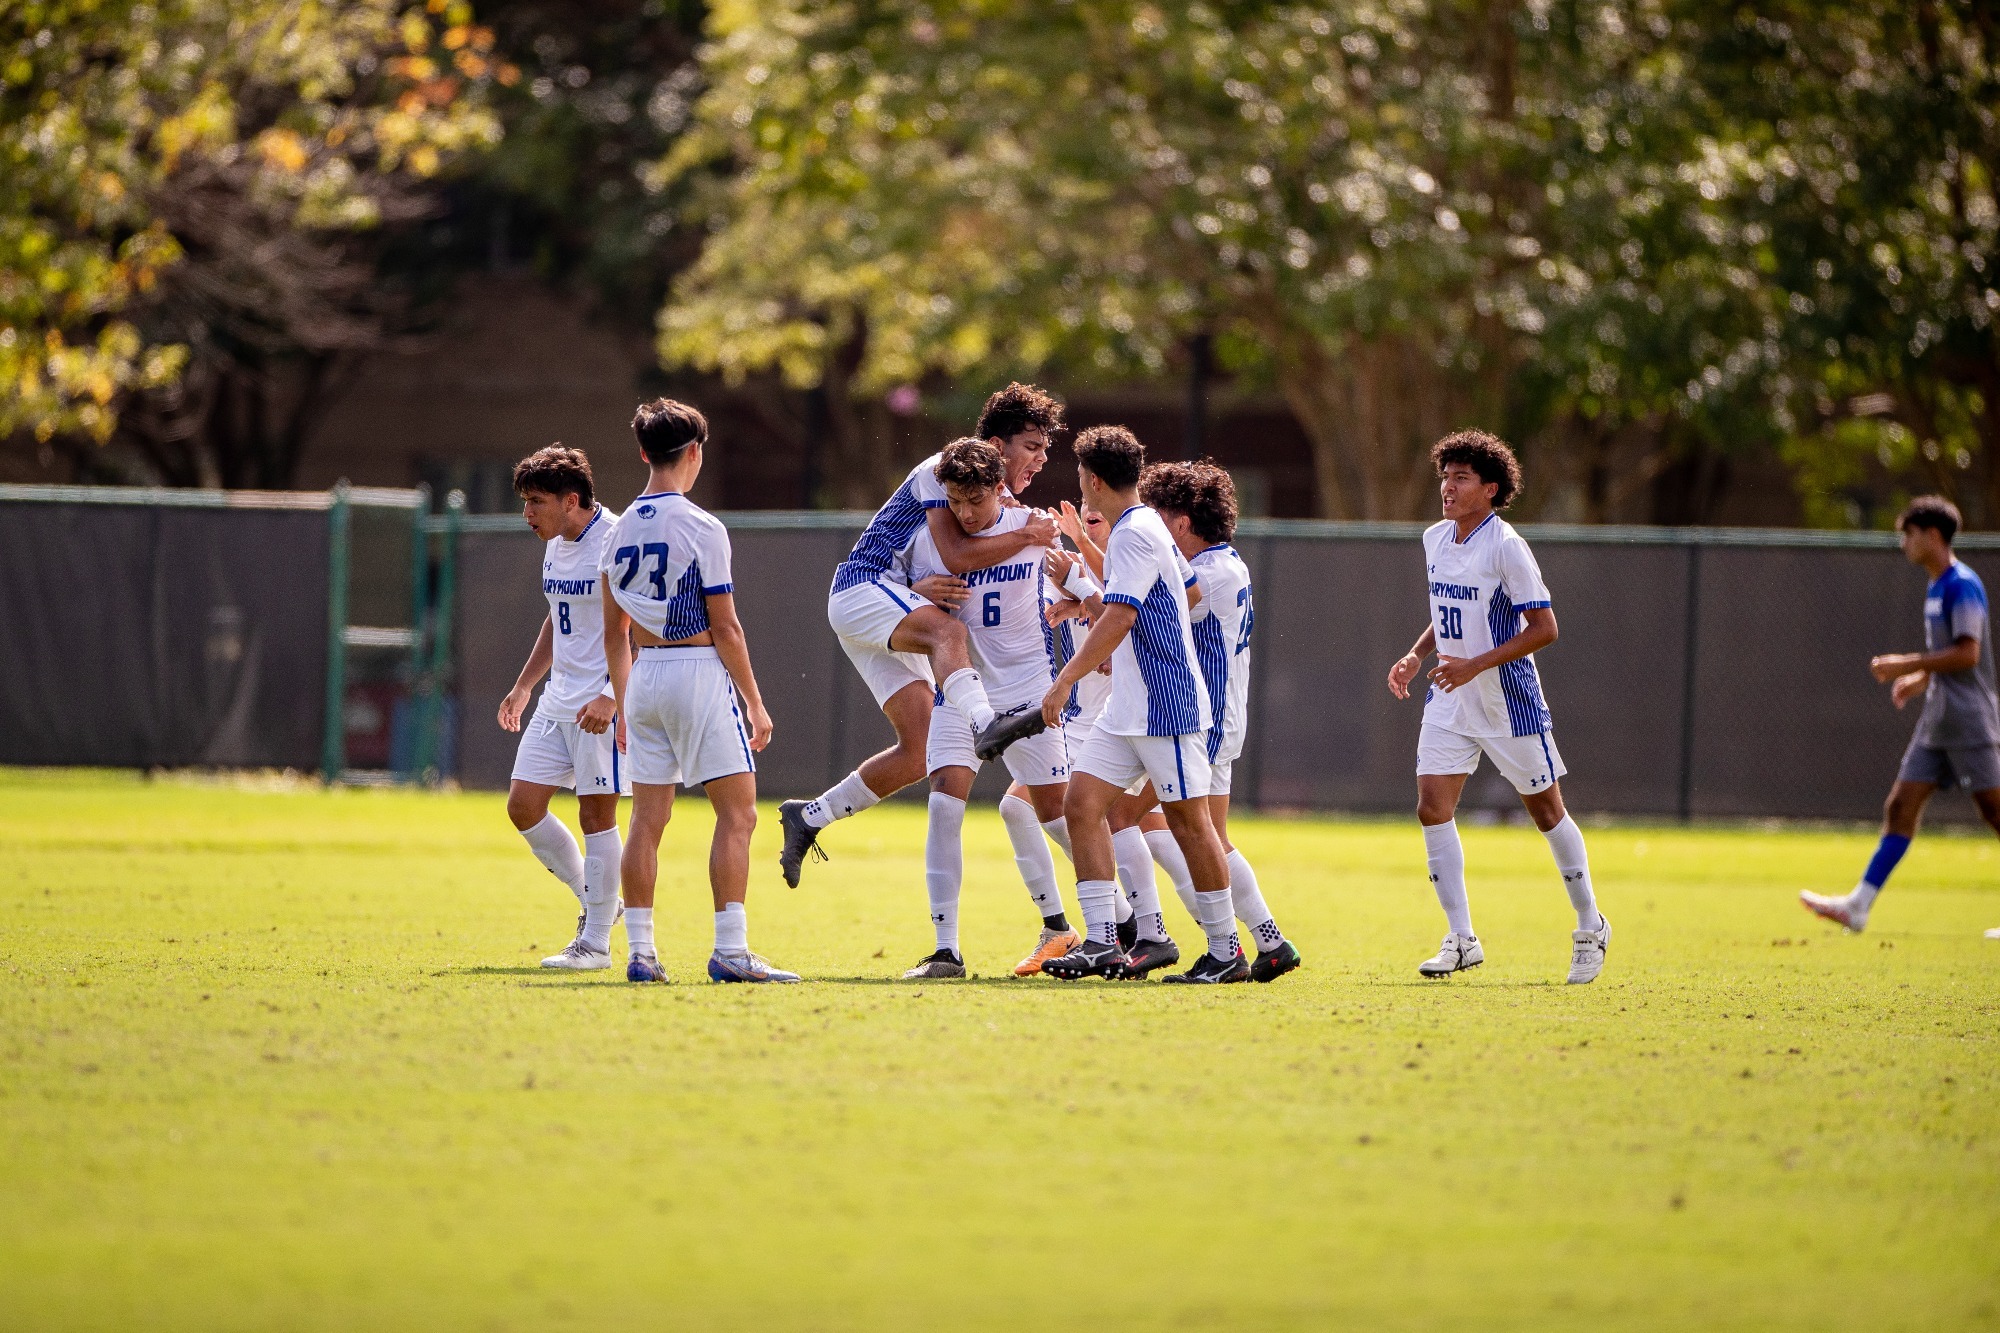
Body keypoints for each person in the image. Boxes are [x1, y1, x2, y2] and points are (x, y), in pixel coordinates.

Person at [778, 383, 1063, 887]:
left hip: (892, 605)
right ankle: (985, 723)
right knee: (947, 631)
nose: (1041, 459)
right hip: (861, 589)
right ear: (997, 445)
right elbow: (954, 556)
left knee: (919, 749)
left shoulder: (1002, 497)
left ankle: (810, 816)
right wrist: (1027, 535)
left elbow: (951, 565)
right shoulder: (941, 469)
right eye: (1033, 446)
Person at [1385, 430, 1610, 984]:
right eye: (1446, 475)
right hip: (1450, 696)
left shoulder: (1507, 545)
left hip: (1507, 700)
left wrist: (1474, 665)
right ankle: (1462, 938)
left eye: (1461, 478)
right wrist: (1417, 655)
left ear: (1490, 489)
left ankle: (1590, 925)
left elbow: (1545, 628)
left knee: (1547, 813)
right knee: (1432, 807)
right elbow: (1448, 612)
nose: (1448, 486)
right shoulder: (1436, 538)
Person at [1036, 425, 1246, 983]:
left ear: (1095, 479)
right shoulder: (1148, 523)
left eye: (1082, 479)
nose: (1081, 491)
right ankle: (1104, 943)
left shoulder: (1133, 531)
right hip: (1130, 706)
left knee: (1189, 823)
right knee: (1081, 805)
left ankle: (1228, 952)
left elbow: (1122, 613)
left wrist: (1065, 681)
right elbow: (1188, 593)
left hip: (1166, 704)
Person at [597, 399, 793, 984]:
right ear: (694, 453)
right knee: (737, 813)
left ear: (642, 453)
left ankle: (641, 954)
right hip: (698, 672)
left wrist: (625, 701)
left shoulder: (617, 530)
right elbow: (726, 625)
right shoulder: (702, 525)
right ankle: (731, 950)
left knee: (646, 821)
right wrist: (755, 701)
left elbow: (615, 632)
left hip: (644, 674)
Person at [899, 440, 1084, 979]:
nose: (966, 513)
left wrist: (1077, 597)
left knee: (1057, 817)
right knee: (943, 805)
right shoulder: (935, 539)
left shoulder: (1036, 527)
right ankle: (945, 949)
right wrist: (914, 587)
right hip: (964, 692)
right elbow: (896, 592)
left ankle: (1121, 921)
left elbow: (1089, 590)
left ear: (999, 488)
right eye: (955, 501)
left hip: (1030, 693)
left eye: (976, 500)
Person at [1803, 495, 2000, 932]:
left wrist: (1907, 664)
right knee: (1901, 805)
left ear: (1933, 536)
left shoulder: (1962, 585)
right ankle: (1858, 905)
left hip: (1969, 721)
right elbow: (1946, 658)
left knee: (1994, 811)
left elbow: (1968, 655)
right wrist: (1922, 681)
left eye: (1909, 535)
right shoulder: (1935, 586)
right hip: (1938, 720)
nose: (1904, 544)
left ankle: (1858, 903)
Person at [1140, 460, 1301, 982]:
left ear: (1182, 521)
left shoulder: (1209, 573)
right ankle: (1270, 943)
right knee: (1211, 836)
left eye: (1157, 512)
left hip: (1203, 722)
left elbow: (1146, 613)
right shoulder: (1224, 564)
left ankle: (1178, 939)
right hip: (1216, 719)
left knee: (1125, 814)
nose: (1151, 524)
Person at [496, 445, 629, 971]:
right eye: (525, 502)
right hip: (558, 701)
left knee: (597, 815)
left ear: (571, 500)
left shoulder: (616, 541)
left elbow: (638, 627)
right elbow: (558, 617)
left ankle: (595, 943)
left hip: (601, 700)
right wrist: (525, 685)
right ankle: (600, 904)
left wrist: (614, 696)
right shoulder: (555, 543)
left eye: (536, 502)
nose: (527, 514)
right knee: (523, 805)